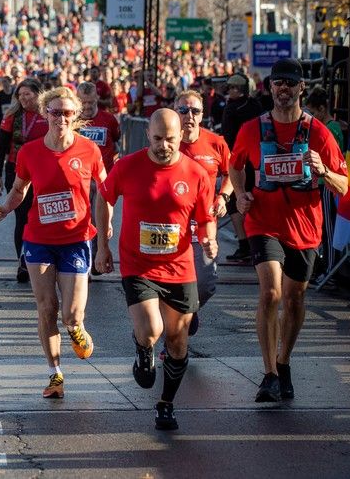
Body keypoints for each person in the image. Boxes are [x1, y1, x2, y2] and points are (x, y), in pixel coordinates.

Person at [228, 58, 347, 402]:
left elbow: (344, 187)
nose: (283, 88)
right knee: (270, 293)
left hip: (304, 228)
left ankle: (283, 363)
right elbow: (235, 167)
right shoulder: (252, 129)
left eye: (289, 83)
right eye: (277, 82)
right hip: (263, 222)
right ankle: (267, 374)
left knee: (294, 298)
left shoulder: (318, 132)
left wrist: (323, 169)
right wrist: (240, 193)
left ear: (301, 88)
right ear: (269, 88)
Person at [97, 109, 217, 431]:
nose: (164, 145)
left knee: (177, 341)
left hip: (179, 266)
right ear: (148, 134)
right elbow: (104, 195)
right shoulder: (128, 166)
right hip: (138, 263)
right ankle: (143, 347)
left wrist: (209, 240)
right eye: (158, 138)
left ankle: (166, 404)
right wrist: (103, 243)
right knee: (151, 328)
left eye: (171, 139)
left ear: (182, 137)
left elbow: (206, 218)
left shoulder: (195, 174)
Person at [0, 87, 109, 399]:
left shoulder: (89, 150)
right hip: (38, 239)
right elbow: (20, 189)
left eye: (67, 113)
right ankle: (55, 373)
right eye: (55, 112)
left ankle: (76, 329)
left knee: (71, 314)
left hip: (76, 239)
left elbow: (106, 190)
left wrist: (106, 227)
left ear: (76, 115)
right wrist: (5, 208)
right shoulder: (29, 152)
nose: (61, 118)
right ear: (46, 114)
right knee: (46, 307)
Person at [175, 89, 232, 337]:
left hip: (204, 225)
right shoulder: (168, 142)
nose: (189, 115)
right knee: (173, 281)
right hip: (172, 225)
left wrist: (224, 196)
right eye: (183, 110)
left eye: (195, 111)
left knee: (206, 284)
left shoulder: (215, 143)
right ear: (175, 113)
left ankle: (190, 309)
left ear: (202, 115)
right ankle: (175, 329)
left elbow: (232, 174)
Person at [0, 78, 48, 283]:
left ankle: (42, 260)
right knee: (22, 217)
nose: (24, 98)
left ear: (37, 94)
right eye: (21, 94)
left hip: (44, 171)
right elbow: (1, 147)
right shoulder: (12, 116)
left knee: (42, 216)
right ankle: (23, 263)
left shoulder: (47, 114)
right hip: (16, 171)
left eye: (28, 94)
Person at [221, 73, 263, 263]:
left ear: (241, 89)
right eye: (230, 88)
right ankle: (255, 245)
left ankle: (245, 244)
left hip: (241, 161)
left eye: (234, 88)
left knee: (235, 202)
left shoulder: (231, 109)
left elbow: (228, 138)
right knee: (254, 200)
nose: (231, 91)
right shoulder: (256, 106)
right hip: (259, 159)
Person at [75, 82, 120, 170]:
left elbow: (116, 142)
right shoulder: (71, 121)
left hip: (105, 177)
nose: (87, 106)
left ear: (97, 98)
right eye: (83, 103)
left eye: (91, 102)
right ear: (77, 100)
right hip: (81, 178)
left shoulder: (109, 119)